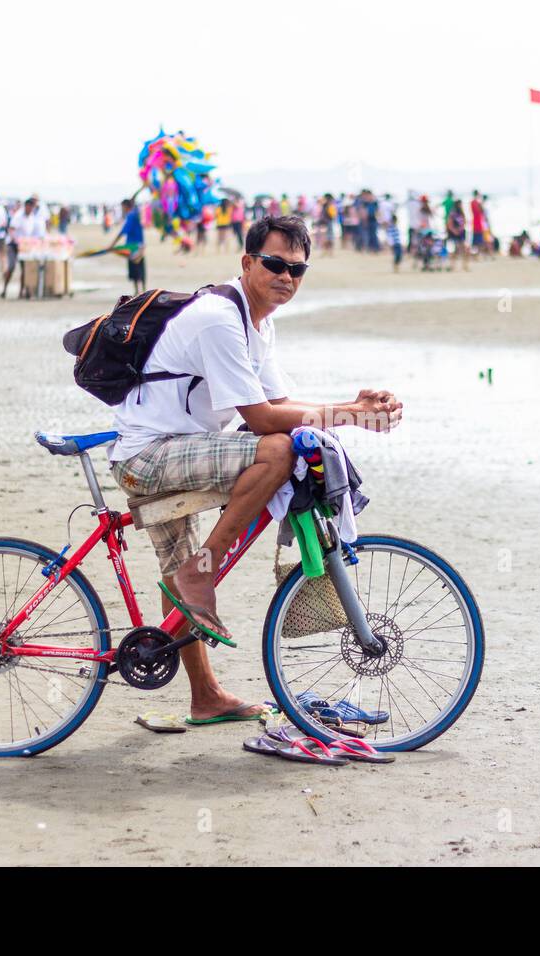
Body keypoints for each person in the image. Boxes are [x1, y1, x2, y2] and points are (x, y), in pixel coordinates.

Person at [106, 216, 402, 721]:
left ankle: (204, 697)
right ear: (247, 263)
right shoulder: (221, 317)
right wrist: (350, 416)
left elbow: (279, 400)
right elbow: (263, 419)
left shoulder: (258, 322)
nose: (285, 276)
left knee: (174, 578)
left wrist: (348, 403)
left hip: (180, 448)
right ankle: (205, 569)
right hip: (150, 458)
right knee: (279, 450)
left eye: (297, 269)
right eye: (274, 264)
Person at [1, 197, 43, 299]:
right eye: (29, 207)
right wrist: (15, 240)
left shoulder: (32, 217)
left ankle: (21, 292)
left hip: (25, 246)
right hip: (13, 245)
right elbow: (11, 230)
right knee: (11, 267)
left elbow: (33, 232)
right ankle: (5, 289)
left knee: (25, 269)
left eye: (32, 207)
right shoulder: (18, 216)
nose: (30, 209)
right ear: (26, 206)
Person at [106, 196, 147, 295]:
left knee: (135, 268)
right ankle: (143, 291)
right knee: (140, 267)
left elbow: (123, 232)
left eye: (122, 207)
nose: (122, 209)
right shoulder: (136, 214)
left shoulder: (131, 215)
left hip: (133, 247)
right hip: (140, 245)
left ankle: (138, 292)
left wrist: (112, 245)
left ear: (125, 206)